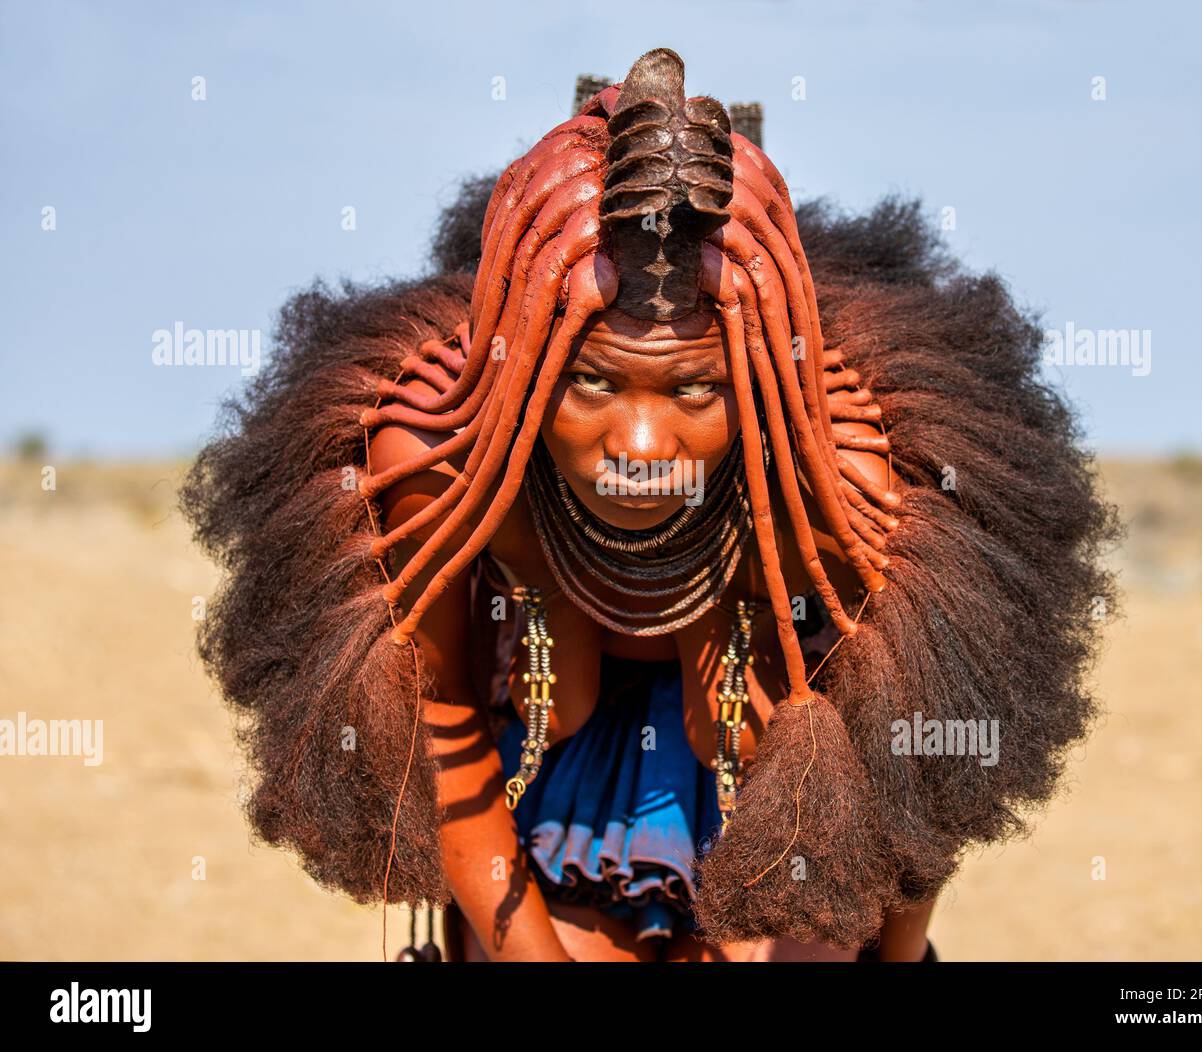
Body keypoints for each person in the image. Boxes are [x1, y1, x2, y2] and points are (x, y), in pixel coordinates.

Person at [182, 48, 1116, 963]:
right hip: (541, 789)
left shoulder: (862, 481)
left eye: (694, 392)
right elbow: (441, 717)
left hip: (796, 802)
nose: (638, 446)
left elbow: (922, 773)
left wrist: (896, 954)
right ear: (519, 358)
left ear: (756, 377)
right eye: (590, 382)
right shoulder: (430, 459)